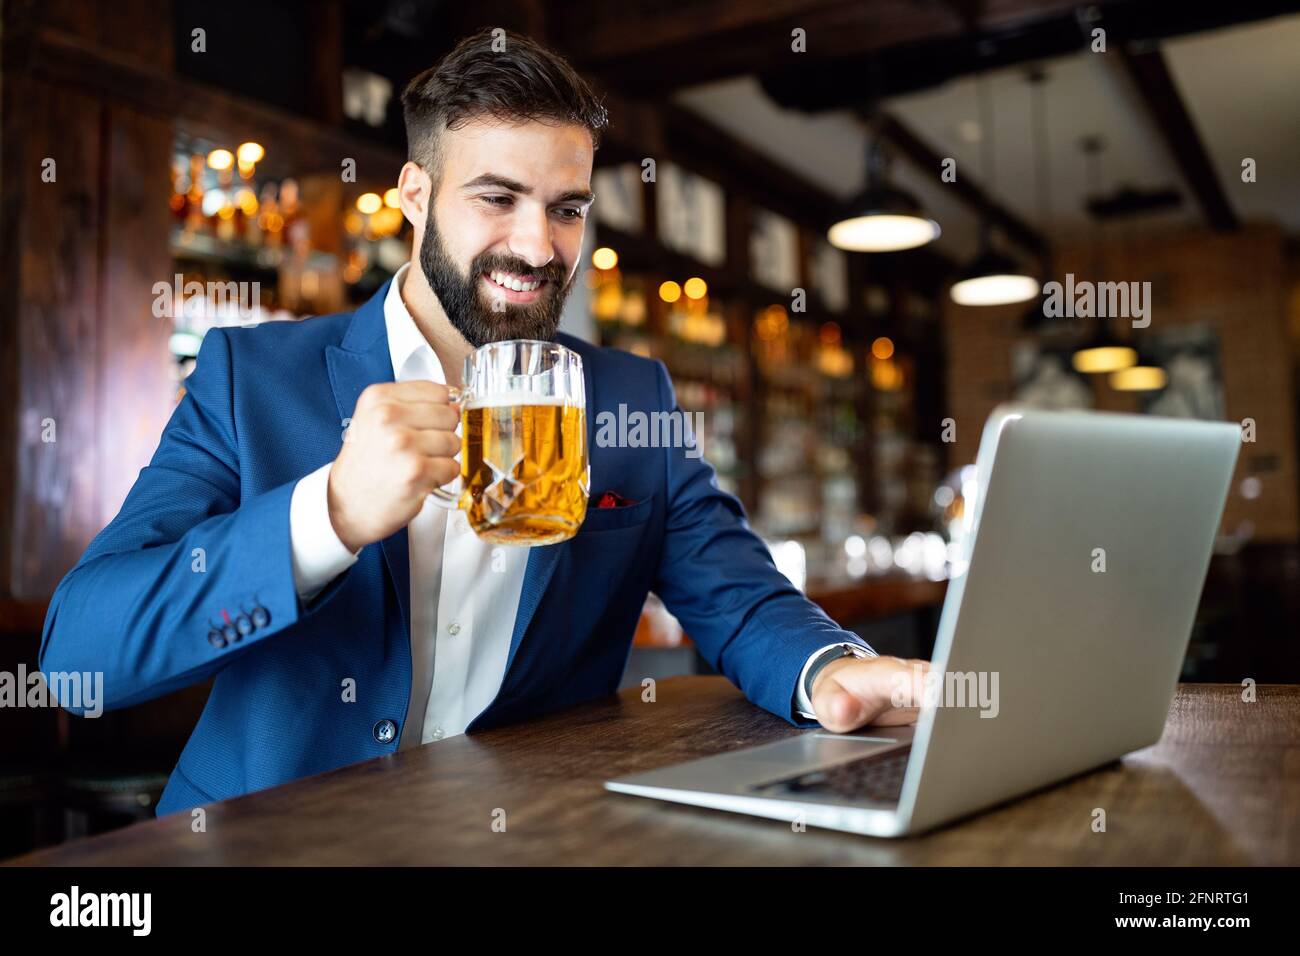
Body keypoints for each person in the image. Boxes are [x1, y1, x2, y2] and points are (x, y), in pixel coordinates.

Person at [41, 29, 928, 815]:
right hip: (265, 844)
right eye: (497, 198)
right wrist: (329, 517)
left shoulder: (630, 400)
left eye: (567, 209)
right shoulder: (252, 378)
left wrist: (829, 673)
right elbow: (82, 653)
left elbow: (738, 595)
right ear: (415, 195)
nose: (539, 247)